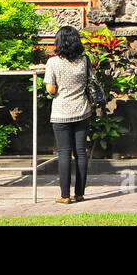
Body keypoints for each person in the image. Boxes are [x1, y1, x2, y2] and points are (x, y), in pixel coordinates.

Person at [44, 25, 93, 203]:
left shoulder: (53, 62)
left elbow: (50, 89)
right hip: (82, 110)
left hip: (61, 112)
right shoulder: (85, 61)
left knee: (64, 152)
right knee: (80, 152)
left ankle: (65, 195)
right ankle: (79, 193)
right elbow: (90, 82)